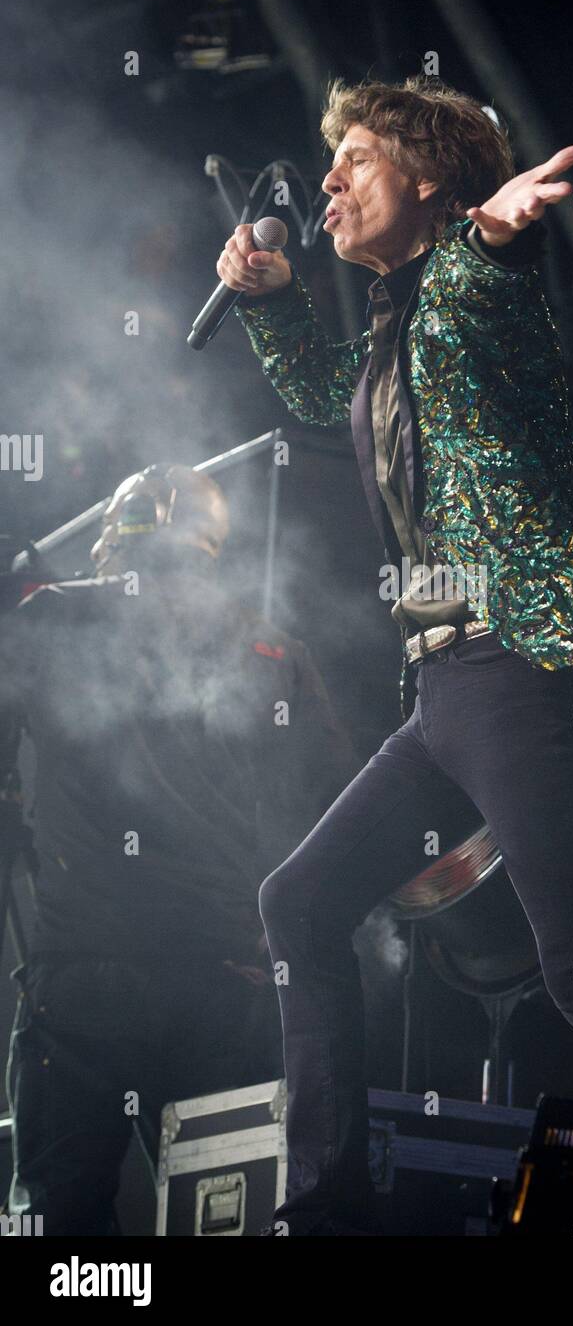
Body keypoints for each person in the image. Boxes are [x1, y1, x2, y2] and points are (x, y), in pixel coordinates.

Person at [218, 75, 573, 1237]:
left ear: (426, 181)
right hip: (440, 691)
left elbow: (480, 276)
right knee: (299, 904)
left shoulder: (476, 296)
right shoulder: (393, 326)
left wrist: (490, 225)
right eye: (327, 169)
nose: (327, 183)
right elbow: (332, 392)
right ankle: (325, 1207)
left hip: (513, 671)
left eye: (358, 163)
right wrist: (274, 304)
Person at [1, 464, 359, 1235]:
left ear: (118, 533)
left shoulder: (47, 616)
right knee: (220, 1225)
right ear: (211, 543)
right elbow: (341, 812)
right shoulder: (274, 650)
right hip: (223, 989)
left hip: (81, 984)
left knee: (66, 1240)